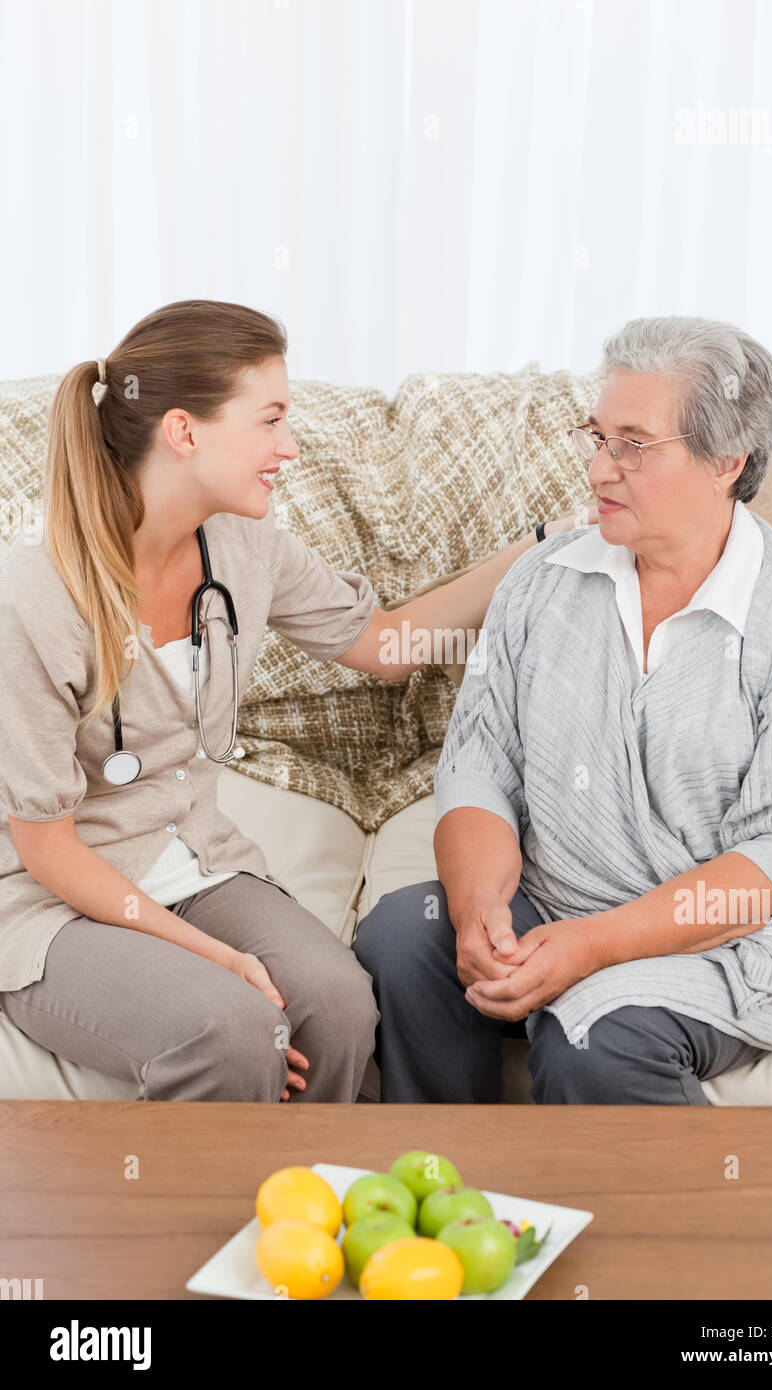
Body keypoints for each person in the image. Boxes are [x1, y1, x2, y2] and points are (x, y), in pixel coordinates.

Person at [0, 297, 586, 1103]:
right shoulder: (33, 597)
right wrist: (214, 958)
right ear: (184, 431)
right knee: (231, 1028)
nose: (291, 447)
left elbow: (385, 646)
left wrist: (545, 546)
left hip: (197, 861)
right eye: (270, 420)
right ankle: (205, 1225)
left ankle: (302, 1212)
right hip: (50, 902)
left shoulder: (244, 549)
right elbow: (46, 846)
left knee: (340, 1006)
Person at [353, 314, 772, 1106]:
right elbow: (479, 770)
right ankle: (452, 1193)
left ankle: (658, 1224)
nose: (598, 470)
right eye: (596, 438)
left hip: (740, 939)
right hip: (561, 900)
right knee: (400, 936)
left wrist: (592, 948)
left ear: (727, 460)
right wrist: (480, 910)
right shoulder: (543, 579)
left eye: (632, 444)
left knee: (592, 1036)